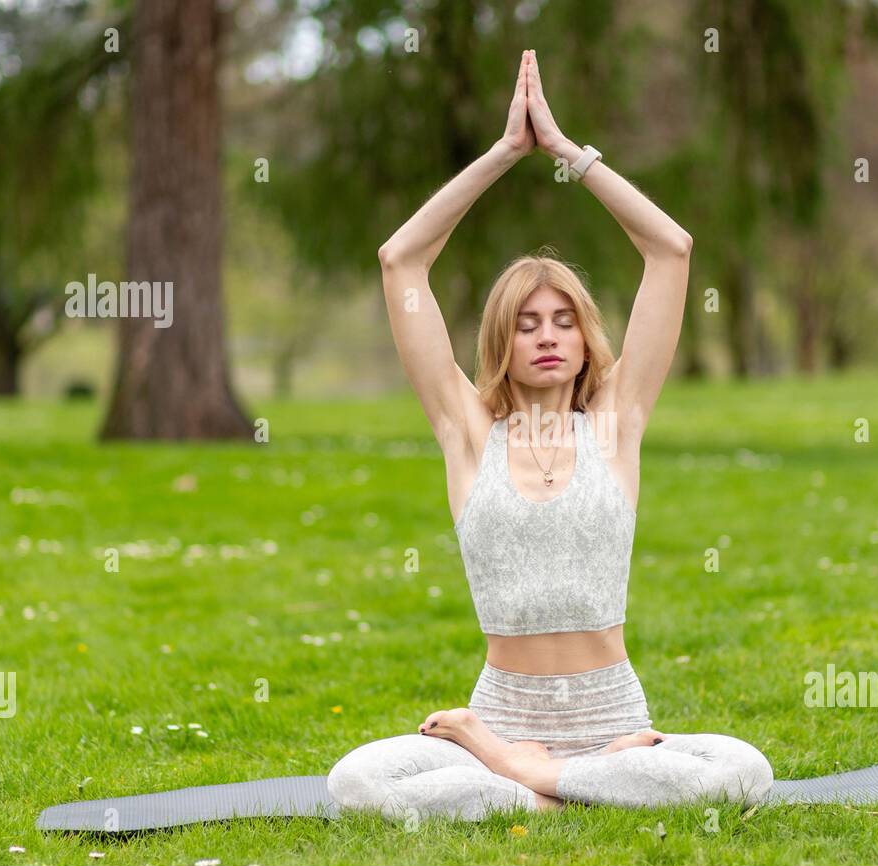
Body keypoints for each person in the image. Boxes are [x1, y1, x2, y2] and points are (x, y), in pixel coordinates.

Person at [327, 50, 774, 822]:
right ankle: (571, 783)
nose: (547, 336)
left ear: (584, 334)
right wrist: (506, 153)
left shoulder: (616, 422)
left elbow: (670, 250)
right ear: (502, 338)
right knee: (355, 783)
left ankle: (520, 781)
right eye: (527, 322)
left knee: (743, 770)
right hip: (501, 709)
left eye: (564, 320)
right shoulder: (466, 432)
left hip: (611, 722)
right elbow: (401, 261)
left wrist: (570, 155)